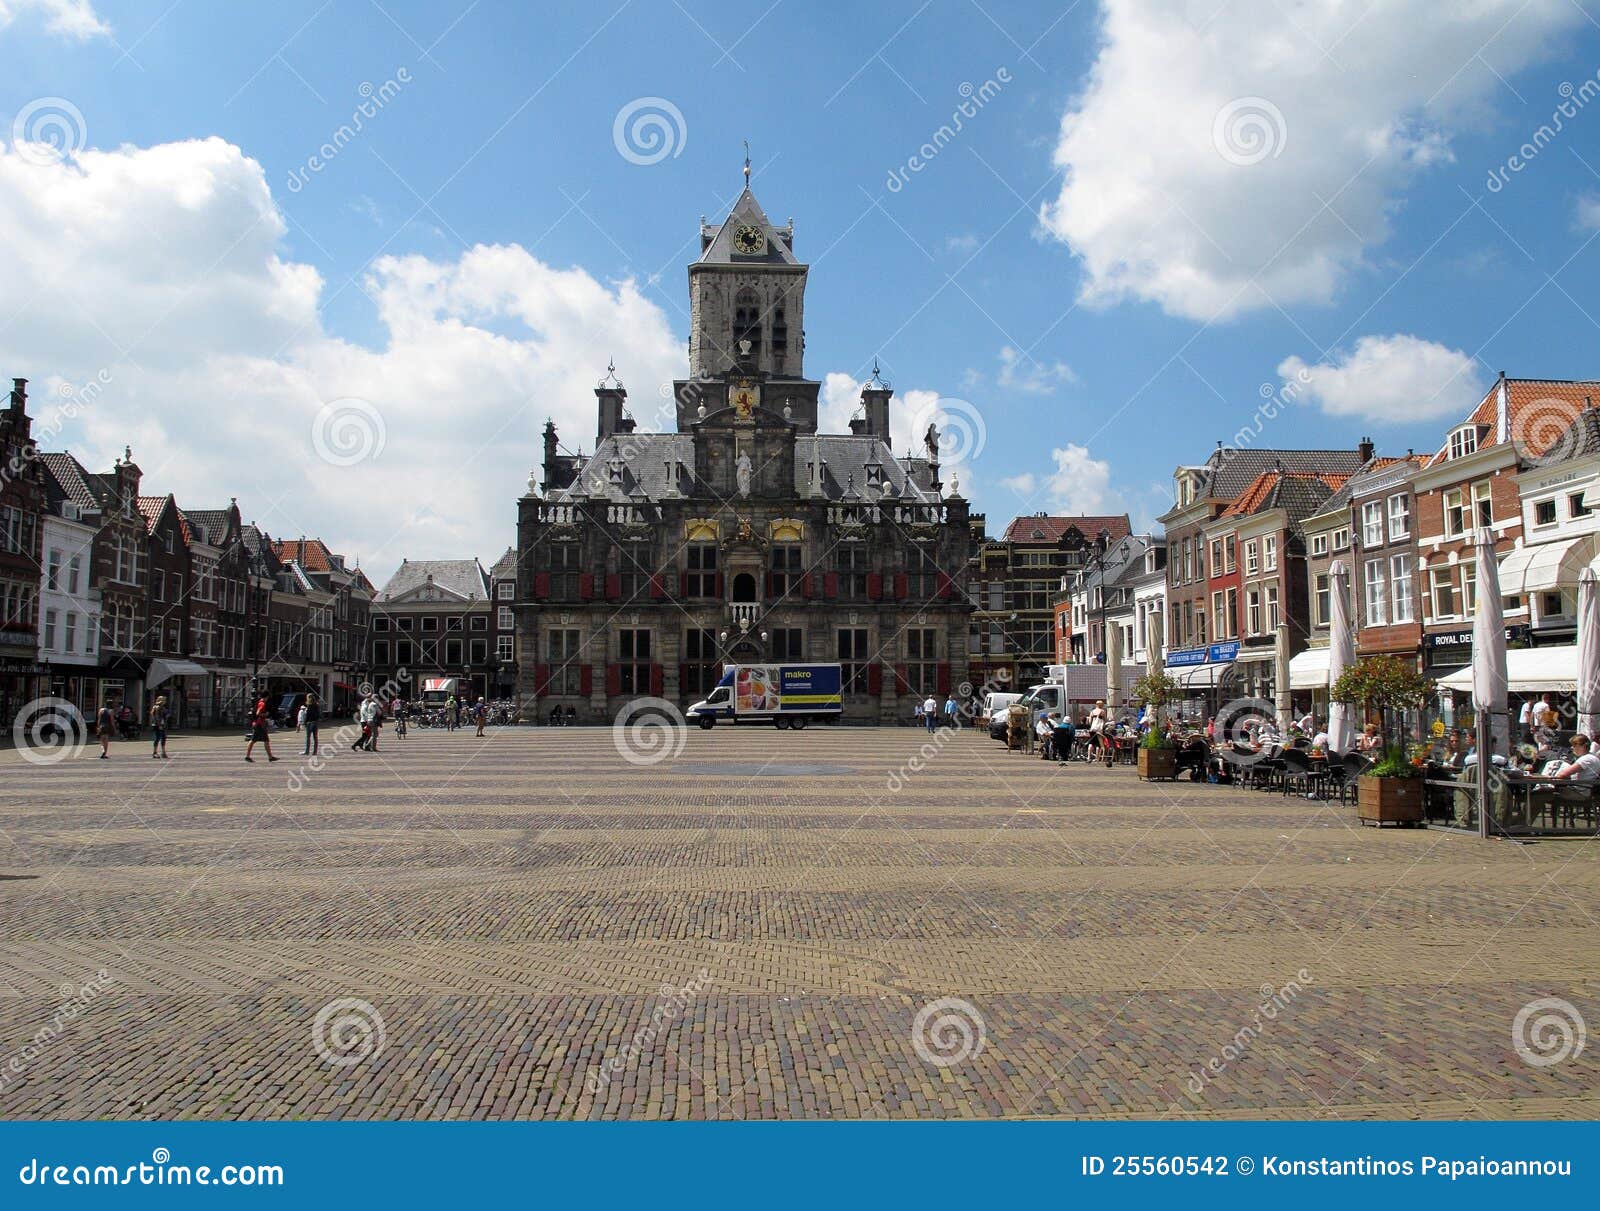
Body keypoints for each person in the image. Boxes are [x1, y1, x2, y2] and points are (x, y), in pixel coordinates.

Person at [245, 696, 277, 762]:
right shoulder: (262, 704)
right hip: (259, 725)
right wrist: (265, 714)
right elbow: (258, 713)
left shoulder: (258, 702)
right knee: (262, 740)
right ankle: (270, 757)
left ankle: (248, 756)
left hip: (257, 724)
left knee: (256, 740)